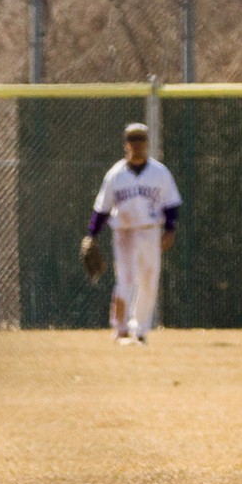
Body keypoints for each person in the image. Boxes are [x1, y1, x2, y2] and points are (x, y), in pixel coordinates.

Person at [80, 122, 181, 345]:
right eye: (133, 140)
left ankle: (140, 329)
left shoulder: (159, 172)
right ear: (126, 144)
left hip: (151, 231)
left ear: (147, 143)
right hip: (125, 234)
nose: (137, 145)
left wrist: (170, 230)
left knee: (148, 281)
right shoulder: (115, 175)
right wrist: (91, 235)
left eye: (141, 140)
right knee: (125, 279)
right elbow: (102, 209)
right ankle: (120, 329)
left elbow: (172, 204)